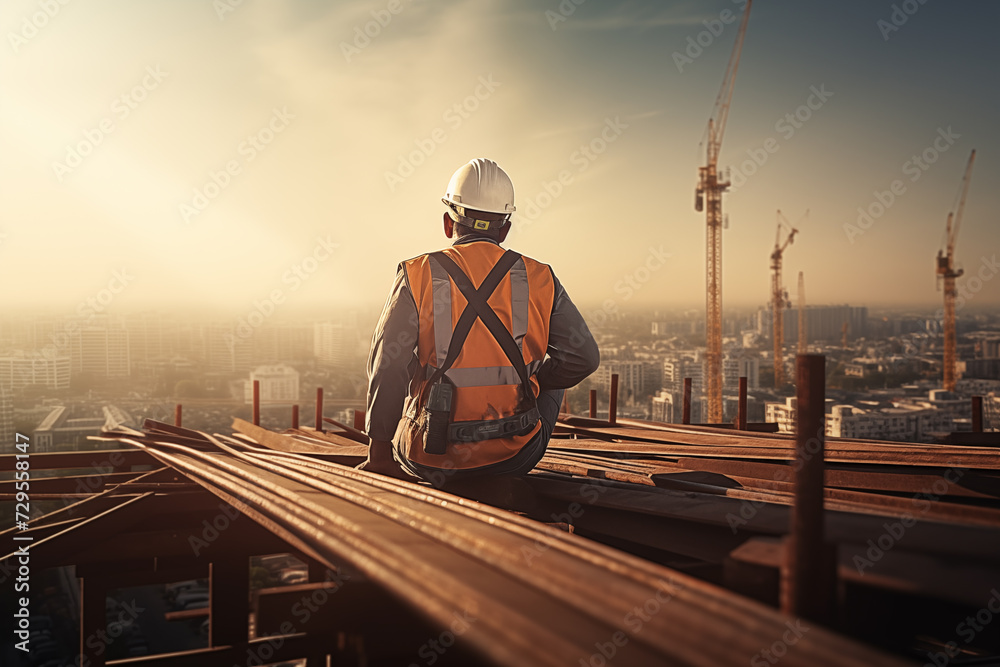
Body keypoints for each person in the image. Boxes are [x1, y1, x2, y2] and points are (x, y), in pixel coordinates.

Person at [360, 158, 599, 485]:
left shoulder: (416, 274)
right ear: (505, 229)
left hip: (429, 455)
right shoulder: (540, 277)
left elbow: (388, 364)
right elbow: (584, 358)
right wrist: (531, 378)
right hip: (514, 456)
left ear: (448, 223)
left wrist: (379, 454)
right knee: (545, 376)